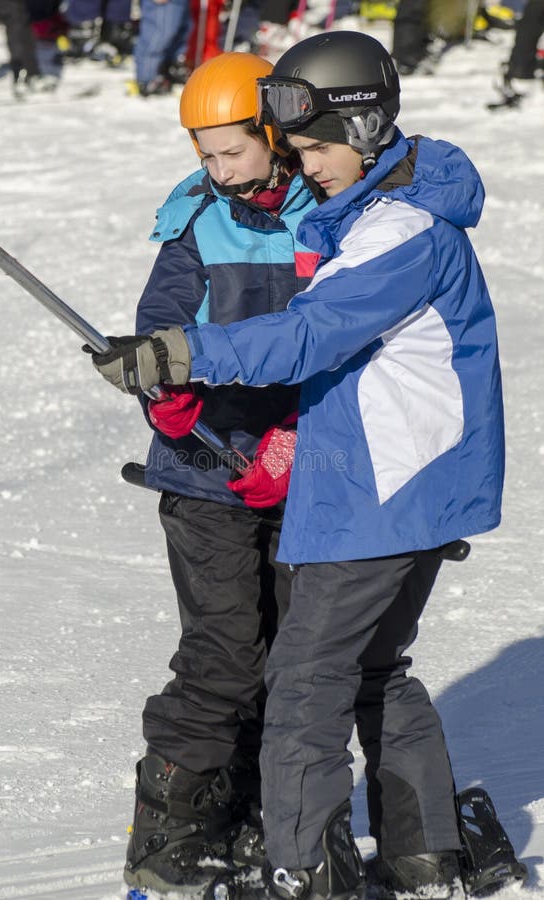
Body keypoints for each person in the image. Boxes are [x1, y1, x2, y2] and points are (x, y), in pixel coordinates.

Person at [91, 30, 508, 900]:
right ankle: (420, 853)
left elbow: (311, 335)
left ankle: (302, 868)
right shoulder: (352, 215)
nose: (302, 165)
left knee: (304, 680)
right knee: (361, 669)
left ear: (356, 135)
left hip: (368, 491)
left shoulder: (395, 228)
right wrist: (175, 381)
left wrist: (184, 354)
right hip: (355, 483)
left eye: (311, 147)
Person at [105, 51, 317, 896]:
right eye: (205, 155)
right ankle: (171, 830)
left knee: (297, 658)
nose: (218, 170)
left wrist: (294, 439)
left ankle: (270, 815)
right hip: (204, 476)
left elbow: (340, 341)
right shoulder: (197, 221)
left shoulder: (329, 215)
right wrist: (165, 396)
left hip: (307, 472)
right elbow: (159, 325)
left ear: (276, 134)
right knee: (225, 653)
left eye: (232, 150)